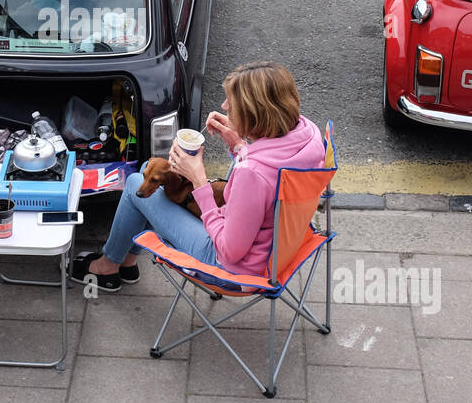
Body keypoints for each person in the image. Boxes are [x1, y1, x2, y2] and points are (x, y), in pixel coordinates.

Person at [70, 62, 325, 291]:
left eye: (232, 103)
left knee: (138, 182)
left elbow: (229, 250)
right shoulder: (308, 135)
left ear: (253, 114)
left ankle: (108, 266)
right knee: (151, 167)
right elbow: (268, 180)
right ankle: (126, 261)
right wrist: (238, 146)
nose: (224, 106)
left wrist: (199, 180)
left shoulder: (252, 174)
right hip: (282, 247)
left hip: (235, 268)